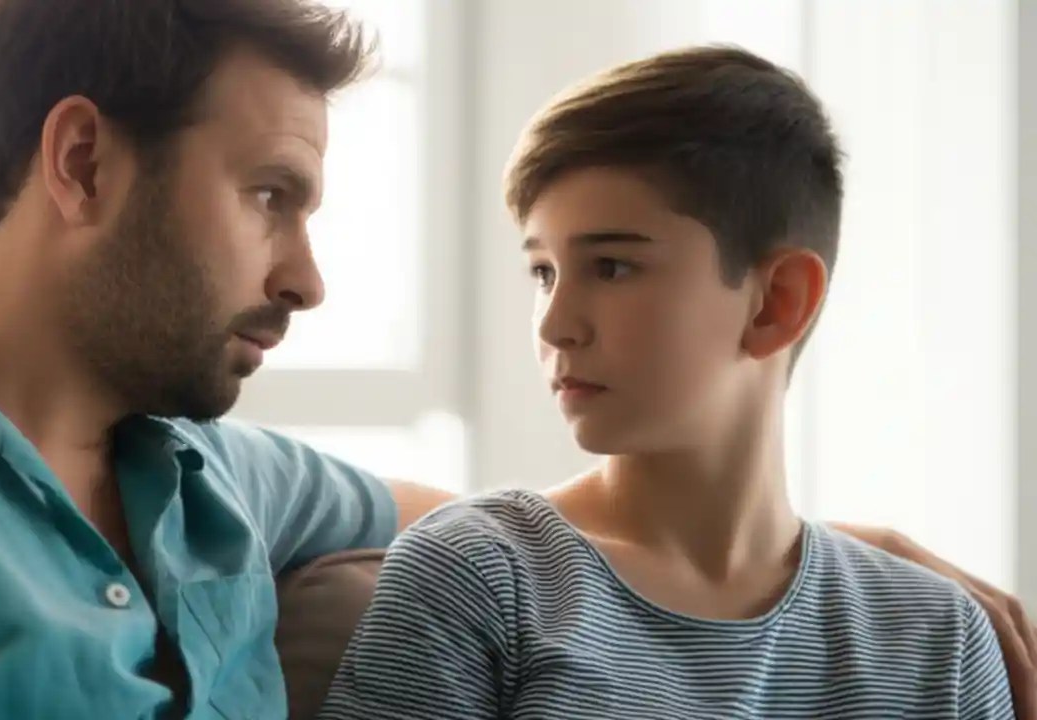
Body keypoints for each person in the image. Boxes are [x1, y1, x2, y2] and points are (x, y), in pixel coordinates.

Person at [0, 1, 1029, 717]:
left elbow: (570, 542)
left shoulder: (226, 482)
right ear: (82, 162)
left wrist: (855, 560)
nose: (306, 278)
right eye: (269, 194)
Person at [318, 46, 1026, 719]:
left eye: (612, 267)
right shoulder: (478, 576)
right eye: (543, 272)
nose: (555, 324)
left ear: (777, 302)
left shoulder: (940, 637)